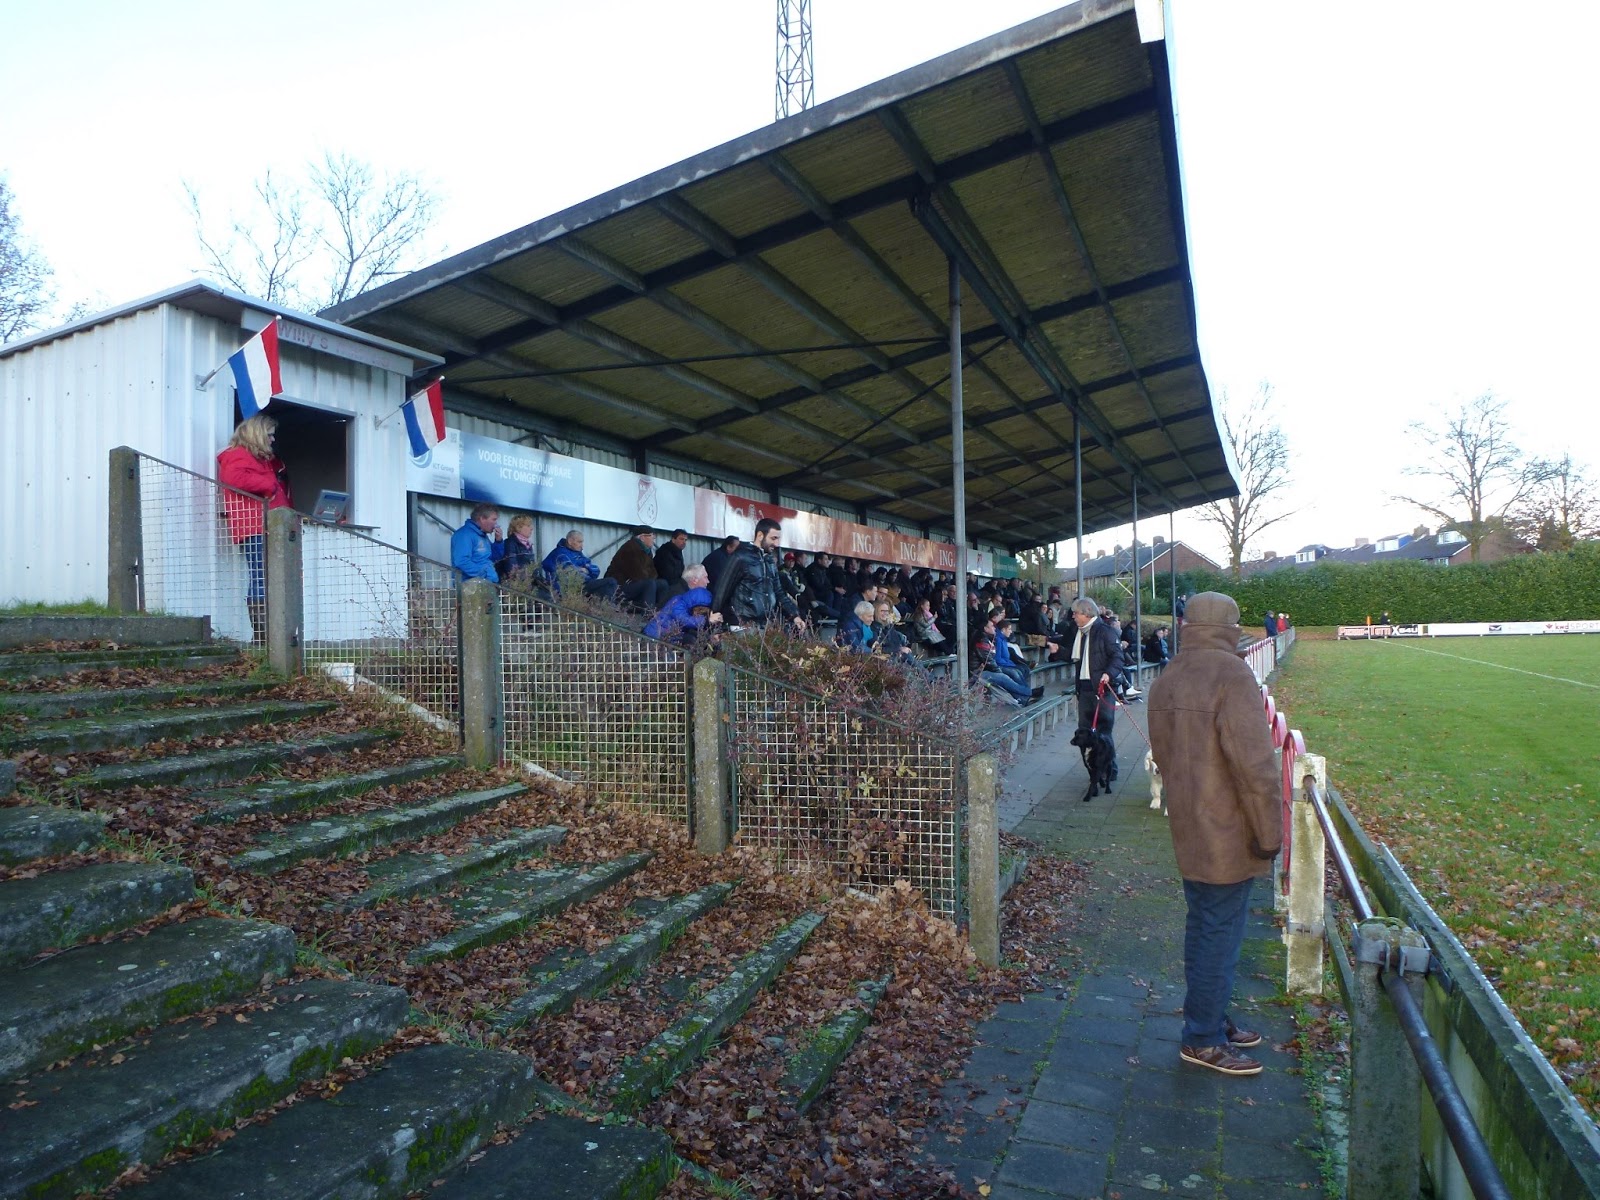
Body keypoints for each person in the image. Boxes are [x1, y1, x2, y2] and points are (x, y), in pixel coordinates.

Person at [1147, 592, 1282, 1077]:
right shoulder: (1231, 674)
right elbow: (1256, 767)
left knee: (1204, 923)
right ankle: (1201, 1036)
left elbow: (1163, 757)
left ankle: (1210, 1017)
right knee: (1219, 931)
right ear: (1229, 625)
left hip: (1189, 823)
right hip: (1228, 829)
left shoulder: (1167, 678)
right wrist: (1271, 833)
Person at [217, 414, 292, 643]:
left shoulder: (262, 460)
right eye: (269, 434)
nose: (272, 439)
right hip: (256, 526)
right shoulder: (237, 455)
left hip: (272, 525)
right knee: (261, 577)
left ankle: (270, 636)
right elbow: (233, 479)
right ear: (258, 434)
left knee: (272, 578)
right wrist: (270, 484)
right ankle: (263, 637)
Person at [710, 517, 805, 631]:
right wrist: (715, 623)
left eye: (778, 539)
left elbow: (779, 592)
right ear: (760, 535)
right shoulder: (740, 557)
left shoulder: (769, 561)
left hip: (766, 625)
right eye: (773, 538)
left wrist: (794, 615)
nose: (776, 543)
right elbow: (722, 590)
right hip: (742, 625)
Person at [1066, 597, 1124, 741]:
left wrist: (1109, 674)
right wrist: (1058, 650)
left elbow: (1118, 657)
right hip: (1084, 689)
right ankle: (1090, 762)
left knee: (1103, 734)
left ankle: (1106, 763)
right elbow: (1079, 657)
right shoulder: (1080, 633)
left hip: (1103, 689)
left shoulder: (1106, 631)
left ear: (1087, 613)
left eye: (1076, 613)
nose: (1073, 616)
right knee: (1084, 732)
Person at [643, 564, 722, 645]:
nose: (708, 581)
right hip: (657, 636)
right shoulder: (678, 596)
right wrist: (706, 620)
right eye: (705, 577)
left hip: (664, 633)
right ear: (695, 580)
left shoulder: (687, 595)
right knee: (691, 640)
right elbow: (683, 620)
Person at [541, 530, 617, 600]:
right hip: (570, 588)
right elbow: (571, 573)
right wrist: (583, 570)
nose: (582, 546)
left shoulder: (578, 553)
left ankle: (604, 609)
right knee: (610, 582)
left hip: (582, 585)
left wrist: (585, 568)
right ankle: (606, 608)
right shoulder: (560, 554)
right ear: (570, 541)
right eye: (579, 542)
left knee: (606, 586)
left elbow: (596, 570)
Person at [605, 525, 667, 610]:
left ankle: (661, 612)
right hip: (620, 587)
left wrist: (648, 575)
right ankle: (647, 614)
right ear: (642, 537)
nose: (654, 539)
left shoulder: (647, 551)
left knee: (663, 584)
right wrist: (648, 575)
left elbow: (653, 572)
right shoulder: (629, 549)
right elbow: (637, 574)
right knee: (649, 583)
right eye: (652, 536)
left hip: (635, 583)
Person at [451, 502, 505, 584]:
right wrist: (485, 574)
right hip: (471, 587)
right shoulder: (464, 535)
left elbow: (494, 558)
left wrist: (498, 541)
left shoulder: (483, 536)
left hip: (486, 583)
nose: (496, 524)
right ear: (482, 518)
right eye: (493, 519)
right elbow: (462, 561)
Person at [497, 514, 540, 583]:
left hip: (527, 583)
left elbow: (533, 568)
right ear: (518, 527)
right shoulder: (510, 543)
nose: (532, 528)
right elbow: (511, 568)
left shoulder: (528, 544)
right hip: (516, 585)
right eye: (528, 526)